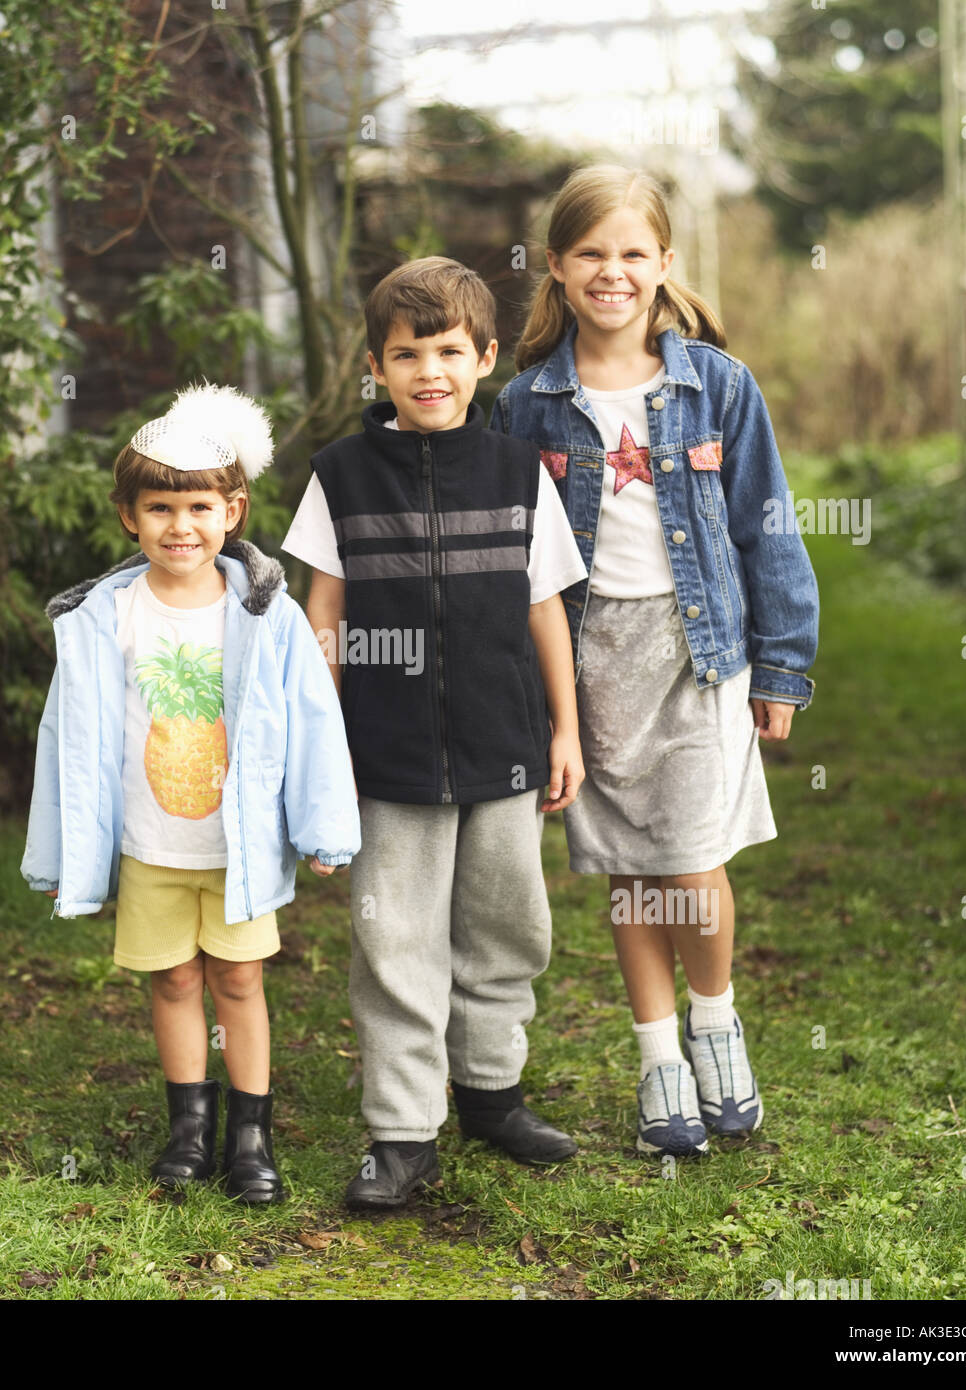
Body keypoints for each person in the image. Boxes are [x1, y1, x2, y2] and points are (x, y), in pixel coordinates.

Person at [492, 165, 820, 1158]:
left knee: (690, 861)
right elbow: (514, 556)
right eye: (590, 252)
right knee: (629, 871)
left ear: (663, 264)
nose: (612, 271)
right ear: (556, 266)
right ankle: (657, 1061)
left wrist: (780, 665)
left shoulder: (715, 386)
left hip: (698, 650)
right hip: (587, 662)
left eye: (633, 253)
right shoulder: (526, 405)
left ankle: (714, 1025)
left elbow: (768, 524)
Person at [283, 257, 590, 1209]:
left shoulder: (518, 473)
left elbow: (546, 608)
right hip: (385, 757)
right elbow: (322, 615)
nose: (430, 372)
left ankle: (494, 1094)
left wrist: (565, 731)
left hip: (504, 743)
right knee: (396, 938)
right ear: (376, 366)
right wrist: (320, 744)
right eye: (407, 354)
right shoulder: (339, 476)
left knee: (507, 927)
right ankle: (403, 1131)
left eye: (450, 351)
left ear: (486, 357)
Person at [21, 384, 360, 1203]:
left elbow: (314, 720)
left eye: (200, 506)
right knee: (173, 980)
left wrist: (323, 826)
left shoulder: (264, 614)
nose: (182, 526)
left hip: (234, 843)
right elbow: (66, 741)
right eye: (161, 507)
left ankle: (250, 1136)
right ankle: (190, 1129)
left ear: (233, 510)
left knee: (239, 981)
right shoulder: (106, 618)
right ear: (130, 517)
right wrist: (58, 852)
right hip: (150, 845)